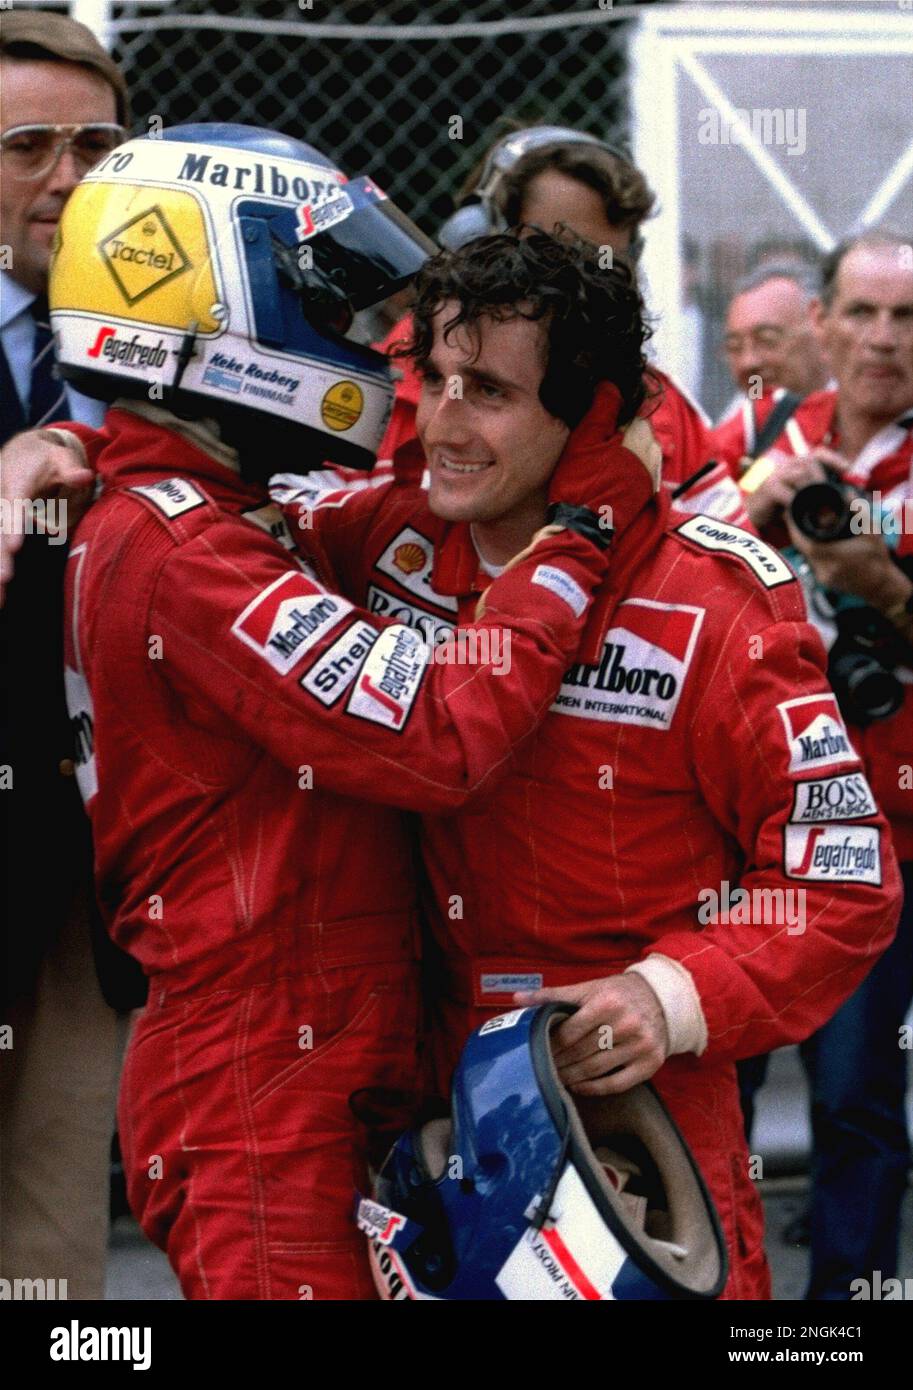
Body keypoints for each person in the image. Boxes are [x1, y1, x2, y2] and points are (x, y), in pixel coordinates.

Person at [37, 122, 630, 1300]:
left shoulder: (199, 511)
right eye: (322, 298)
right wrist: (565, 557)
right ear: (208, 306)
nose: (366, 342)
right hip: (259, 1074)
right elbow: (436, 734)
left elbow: (373, 509)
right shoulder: (185, 552)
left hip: (309, 1052)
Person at [274, 232, 901, 1300]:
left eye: (489, 392)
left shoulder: (710, 603)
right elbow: (191, 526)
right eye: (435, 380)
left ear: (589, 416)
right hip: (417, 1112)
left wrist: (666, 996)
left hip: (639, 1120)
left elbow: (840, 878)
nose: (441, 423)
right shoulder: (380, 538)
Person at [728, 230, 913, 1300]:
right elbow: (667, 573)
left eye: (905, 316)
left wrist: (884, 588)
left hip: (879, 832)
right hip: (744, 828)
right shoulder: (759, 435)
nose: (882, 338)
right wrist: (752, 502)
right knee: (717, 1087)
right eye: (862, 312)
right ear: (823, 324)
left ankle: (840, 1319)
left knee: (853, 1097)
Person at [0, 9, 138, 1302]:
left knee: (49, 1248)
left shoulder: (178, 334)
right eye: (30, 143)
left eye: (96, 139)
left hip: (93, 861)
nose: (71, 175)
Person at [379, 126, 742, 522]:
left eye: (609, 265)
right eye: (560, 257)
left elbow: (732, 560)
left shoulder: (660, 407)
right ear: (479, 240)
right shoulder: (380, 389)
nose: (590, 285)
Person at [711, 262, 832, 476]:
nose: (748, 362)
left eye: (766, 340)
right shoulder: (728, 437)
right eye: (734, 347)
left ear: (821, 331)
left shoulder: (859, 416)